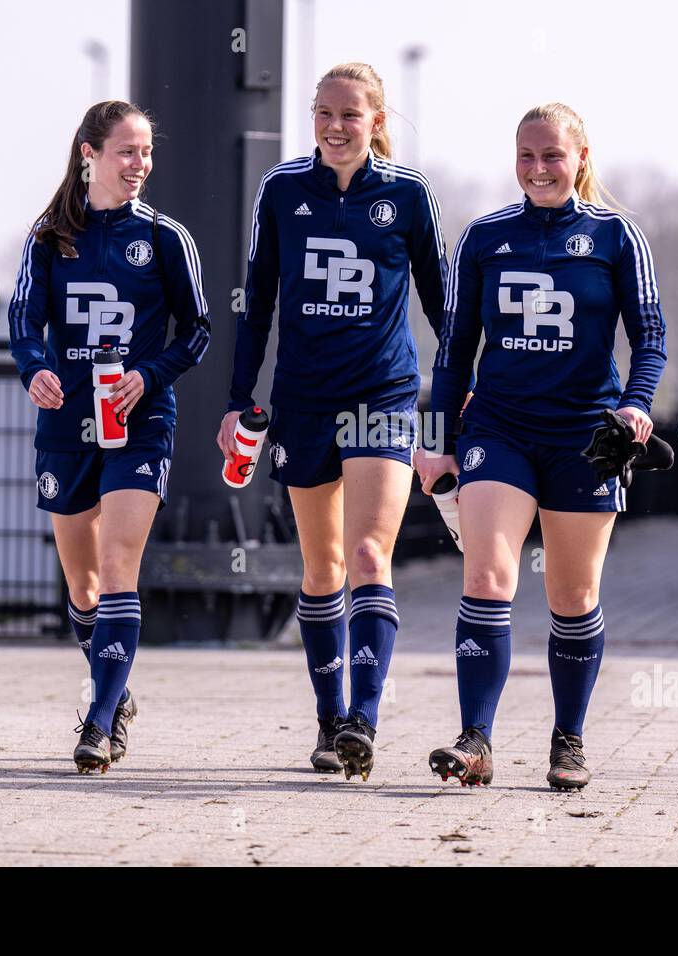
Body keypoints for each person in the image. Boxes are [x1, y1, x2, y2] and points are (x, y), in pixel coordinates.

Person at [415, 102, 667, 790]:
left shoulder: (618, 237)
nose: (537, 169)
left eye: (552, 155)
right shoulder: (485, 237)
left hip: (587, 438)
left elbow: (650, 337)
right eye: (525, 156)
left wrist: (635, 408)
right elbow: (455, 349)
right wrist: (438, 441)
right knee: (486, 577)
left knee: (572, 594)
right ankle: (476, 741)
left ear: (581, 157)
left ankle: (569, 740)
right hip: (498, 428)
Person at [217, 63, 446, 780]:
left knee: (371, 555)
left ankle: (364, 720)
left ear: (376, 120)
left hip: (382, 393)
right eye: (323, 113)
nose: (335, 127)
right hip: (304, 400)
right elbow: (256, 304)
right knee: (321, 567)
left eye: (351, 114)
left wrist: (463, 390)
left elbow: (446, 302)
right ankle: (327, 721)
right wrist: (237, 399)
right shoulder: (283, 190)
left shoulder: (408, 195)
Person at [8, 100, 211, 773]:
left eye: (146, 152)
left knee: (120, 565)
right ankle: (114, 689)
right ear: (89, 154)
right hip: (67, 425)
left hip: (140, 424)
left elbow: (198, 330)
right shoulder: (49, 237)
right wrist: (36, 370)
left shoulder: (163, 237)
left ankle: (98, 720)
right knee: (84, 583)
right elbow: (23, 322)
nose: (140, 165)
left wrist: (148, 377)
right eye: (127, 151)